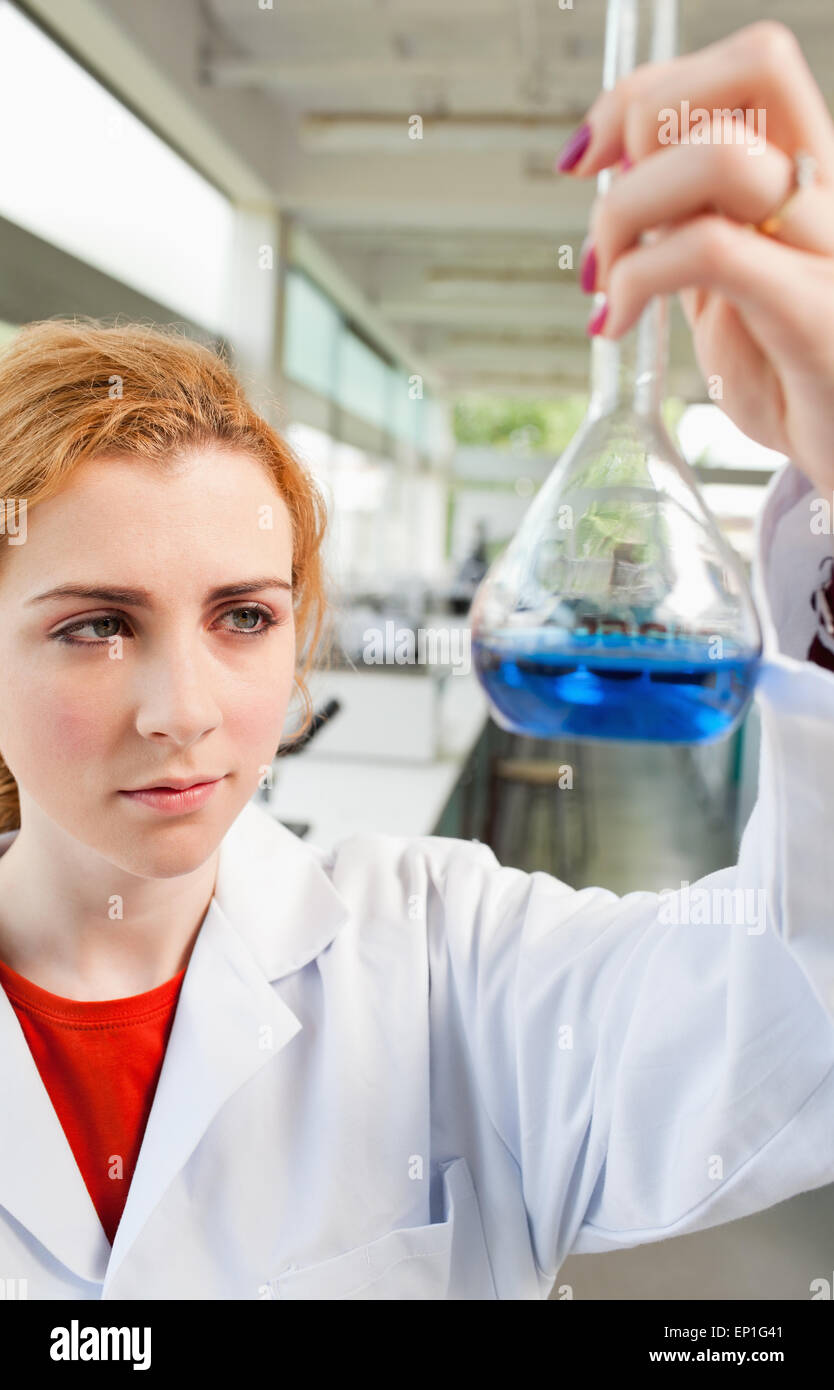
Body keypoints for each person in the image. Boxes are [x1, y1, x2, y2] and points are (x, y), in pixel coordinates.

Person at [0, 18, 833, 1301]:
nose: (186, 712)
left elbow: (790, 1022)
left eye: (245, 617)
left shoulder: (449, 960)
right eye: (96, 624)